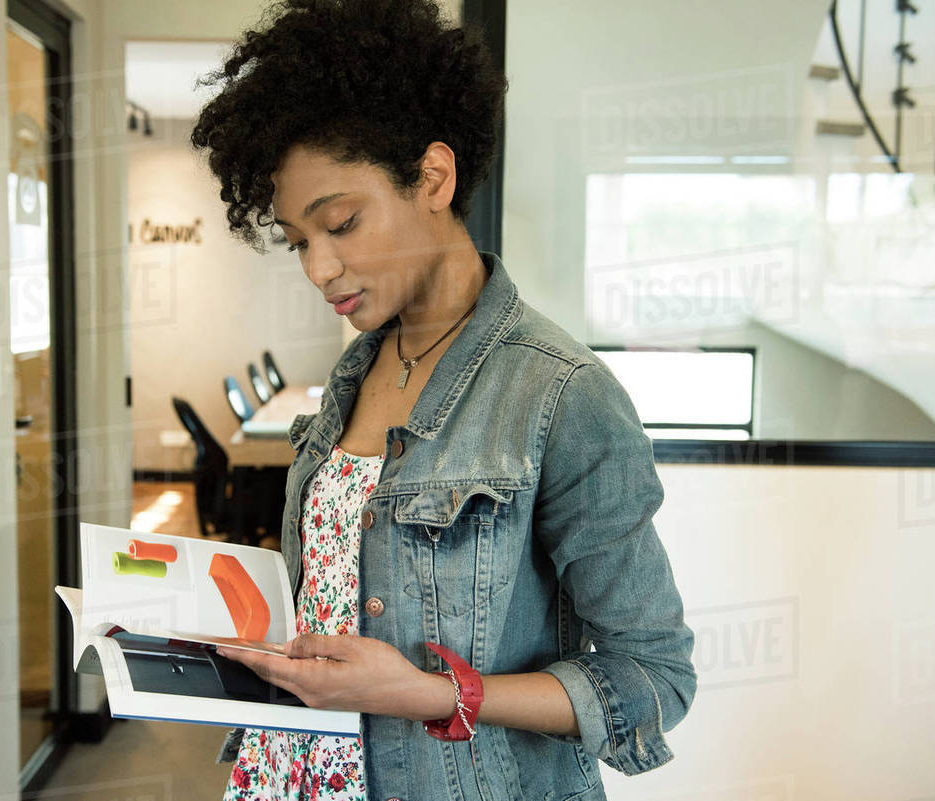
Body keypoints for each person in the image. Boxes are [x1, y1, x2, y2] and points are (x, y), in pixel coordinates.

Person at [189, 1, 697, 799]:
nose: (319, 268)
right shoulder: (354, 375)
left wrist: (431, 692)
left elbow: (655, 678)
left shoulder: (559, 394)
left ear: (433, 176)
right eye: (298, 241)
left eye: (342, 223)